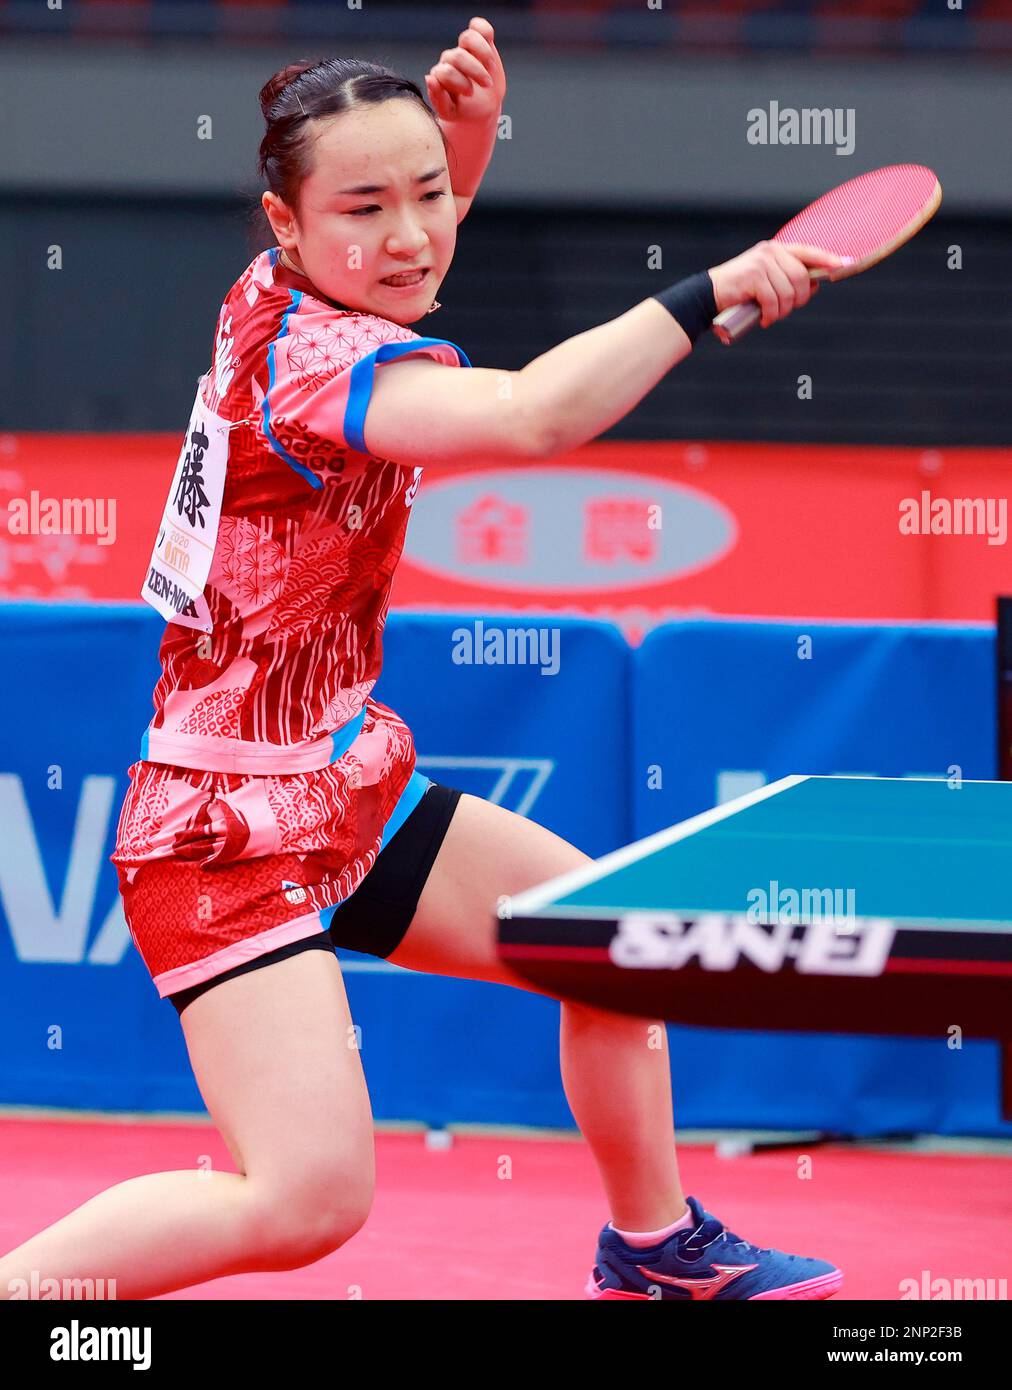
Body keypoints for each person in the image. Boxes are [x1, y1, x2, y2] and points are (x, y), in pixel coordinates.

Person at [1, 18, 844, 1302]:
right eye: (367, 206)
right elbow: (532, 414)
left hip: (336, 780)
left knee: (608, 940)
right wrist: (707, 295)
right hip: (223, 835)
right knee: (306, 1200)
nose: (411, 234)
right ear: (285, 223)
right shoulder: (314, 367)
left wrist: (469, 138)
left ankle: (653, 1249)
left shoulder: (279, 288)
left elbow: (397, 240)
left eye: (433, 194)